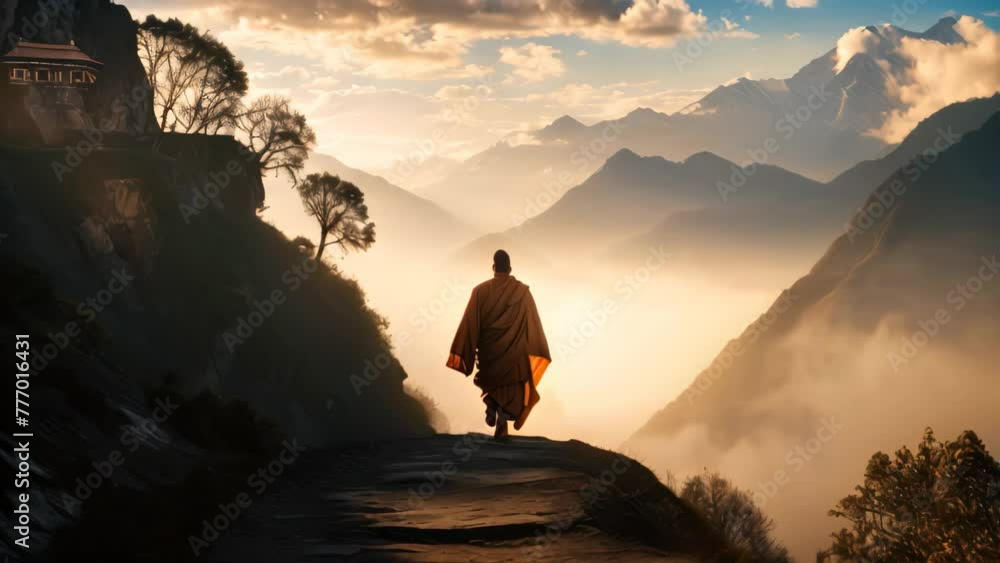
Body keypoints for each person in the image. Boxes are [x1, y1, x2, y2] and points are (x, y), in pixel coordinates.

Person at [446, 250, 551, 441]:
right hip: (514, 353)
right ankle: (501, 415)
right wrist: (537, 346)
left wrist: (464, 351)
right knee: (513, 386)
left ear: (493, 268)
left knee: (492, 382)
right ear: (510, 269)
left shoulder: (479, 291)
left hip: (489, 352)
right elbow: (533, 324)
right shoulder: (523, 293)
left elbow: (470, 324)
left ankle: (491, 404)